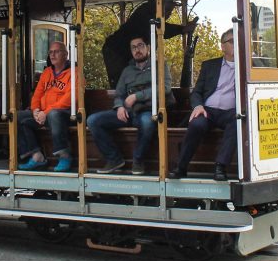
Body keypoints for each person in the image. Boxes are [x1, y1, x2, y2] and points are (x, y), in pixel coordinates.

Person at [87, 34, 174, 175]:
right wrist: (119, 107)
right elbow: (119, 93)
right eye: (133, 48)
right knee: (93, 120)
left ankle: (138, 160)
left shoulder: (160, 66)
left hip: (148, 110)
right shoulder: (127, 71)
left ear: (148, 47)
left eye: (140, 46)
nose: (137, 50)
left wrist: (137, 96)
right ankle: (114, 159)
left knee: (147, 122)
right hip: (128, 112)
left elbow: (165, 88)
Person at [169, 28, 237, 181]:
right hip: (208, 111)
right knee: (196, 124)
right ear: (223, 46)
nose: (237, 44)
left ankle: (221, 167)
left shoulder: (248, 66)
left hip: (231, 112)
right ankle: (181, 167)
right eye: (232, 41)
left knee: (237, 121)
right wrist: (198, 106)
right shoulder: (210, 66)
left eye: (240, 41)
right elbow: (197, 92)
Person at [101, 0, 197, 87]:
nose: (168, 15)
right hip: (116, 52)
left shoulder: (149, 11)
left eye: (170, 12)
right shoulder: (146, 12)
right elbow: (162, 28)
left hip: (124, 53)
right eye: (167, 11)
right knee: (123, 83)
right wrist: (183, 29)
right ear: (160, 6)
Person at [17, 41, 74, 171]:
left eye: (56, 51)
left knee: (54, 114)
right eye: (50, 52)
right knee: (18, 117)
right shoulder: (47, 72)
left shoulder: (74, 72)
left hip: (66, 114)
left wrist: (46, 112)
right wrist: (36, 110)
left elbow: (69, 98)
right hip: (44, 114)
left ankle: (64, 156)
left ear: (65, 54)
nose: (52, 55)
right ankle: (37, 156)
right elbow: (37, 94)